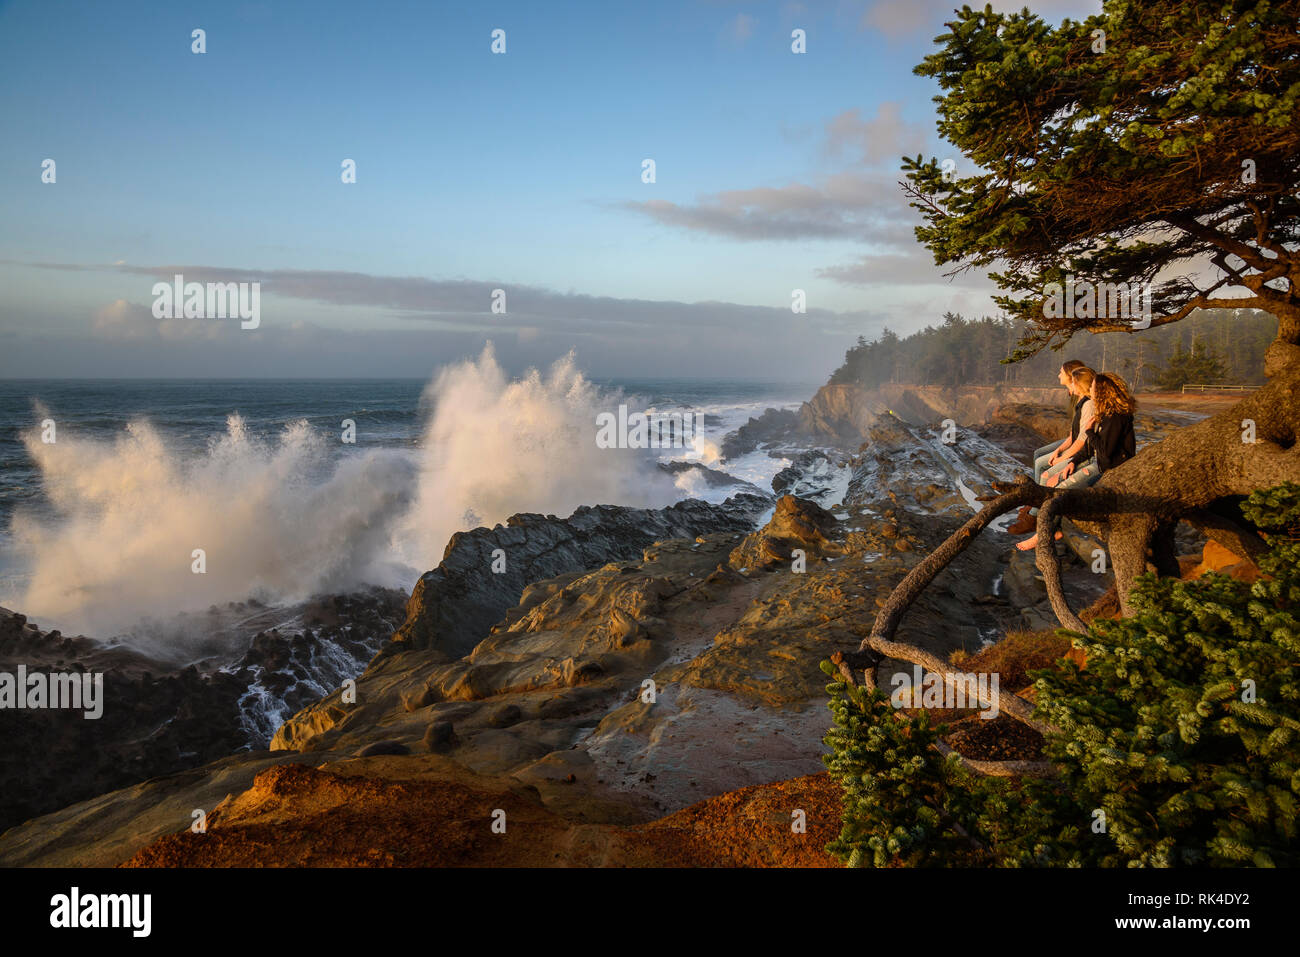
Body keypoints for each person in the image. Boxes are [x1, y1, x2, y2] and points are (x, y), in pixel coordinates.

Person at [1015, 372, 1137, 551]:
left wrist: (1089, 431)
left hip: (1108, 467)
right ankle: (1049, 528)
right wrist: (1073, 462)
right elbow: (1090, 449)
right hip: (1098, 462)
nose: (1091, 390)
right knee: (1052, 482)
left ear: (1103, 391)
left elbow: (1105, 456)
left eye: (1094, 387)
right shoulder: (1105, 413)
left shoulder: (1116, 418)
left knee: (1058, 491)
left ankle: (1043, 534)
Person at [1007, 362, 1093, 534]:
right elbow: (1073, 433)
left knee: (1042, 464)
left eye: (1061, 372)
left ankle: (1036, 513)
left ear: (1072, 377)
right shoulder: (1077, 398)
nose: (1058, 375)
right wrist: (1058, 451)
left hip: (1084, 450)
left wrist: (1063, 457)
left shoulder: (1086, 402)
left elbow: (1082, 440)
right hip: (1075, 442)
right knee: (1039, 454)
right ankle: (1035, 503)